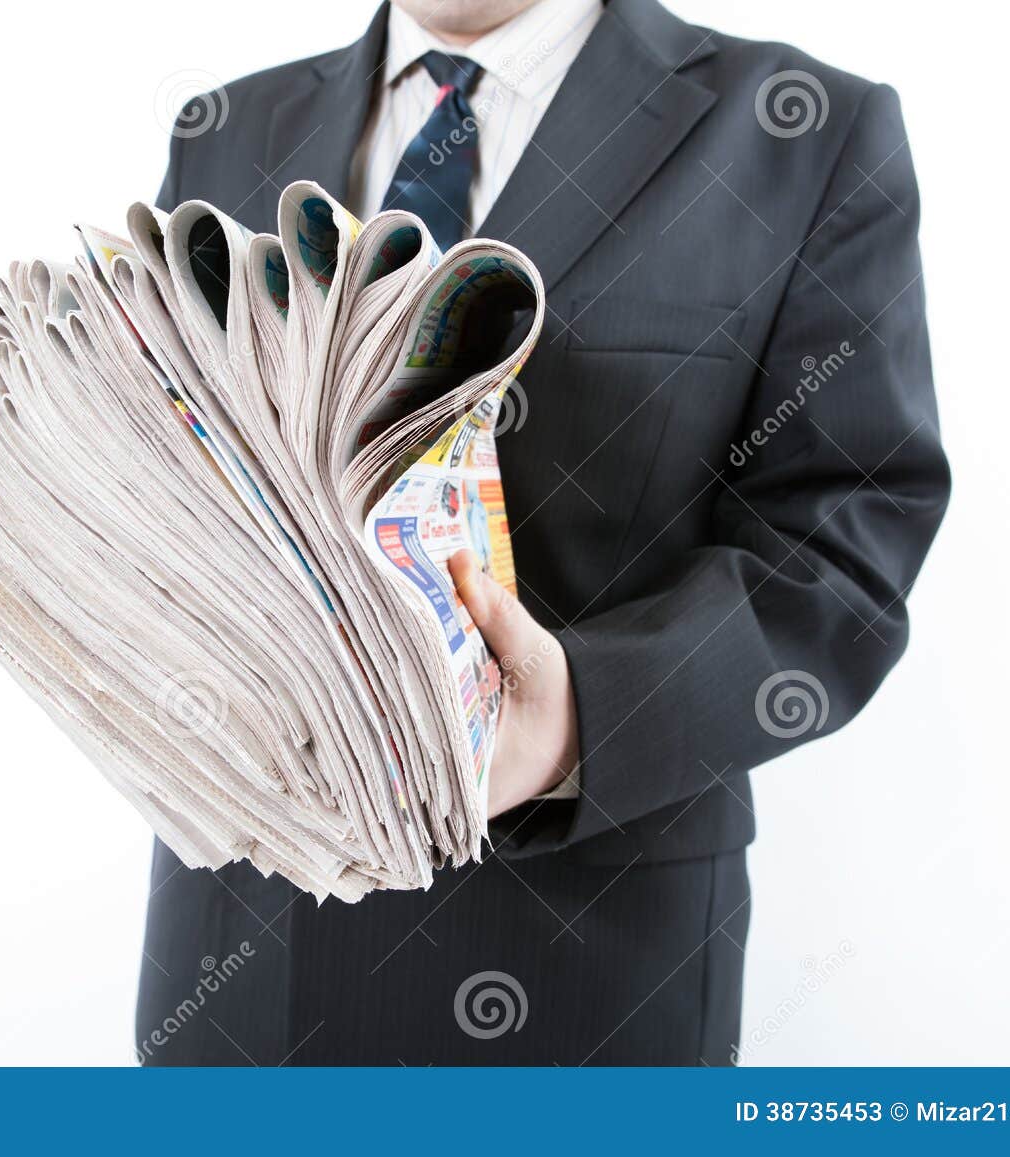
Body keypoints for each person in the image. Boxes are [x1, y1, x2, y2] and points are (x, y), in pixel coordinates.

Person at [135, 0, 950, 1065]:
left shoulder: (804, 134)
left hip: (588, 980)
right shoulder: (227, 126)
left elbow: (846, 543)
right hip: (238, 966)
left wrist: (577, 718)